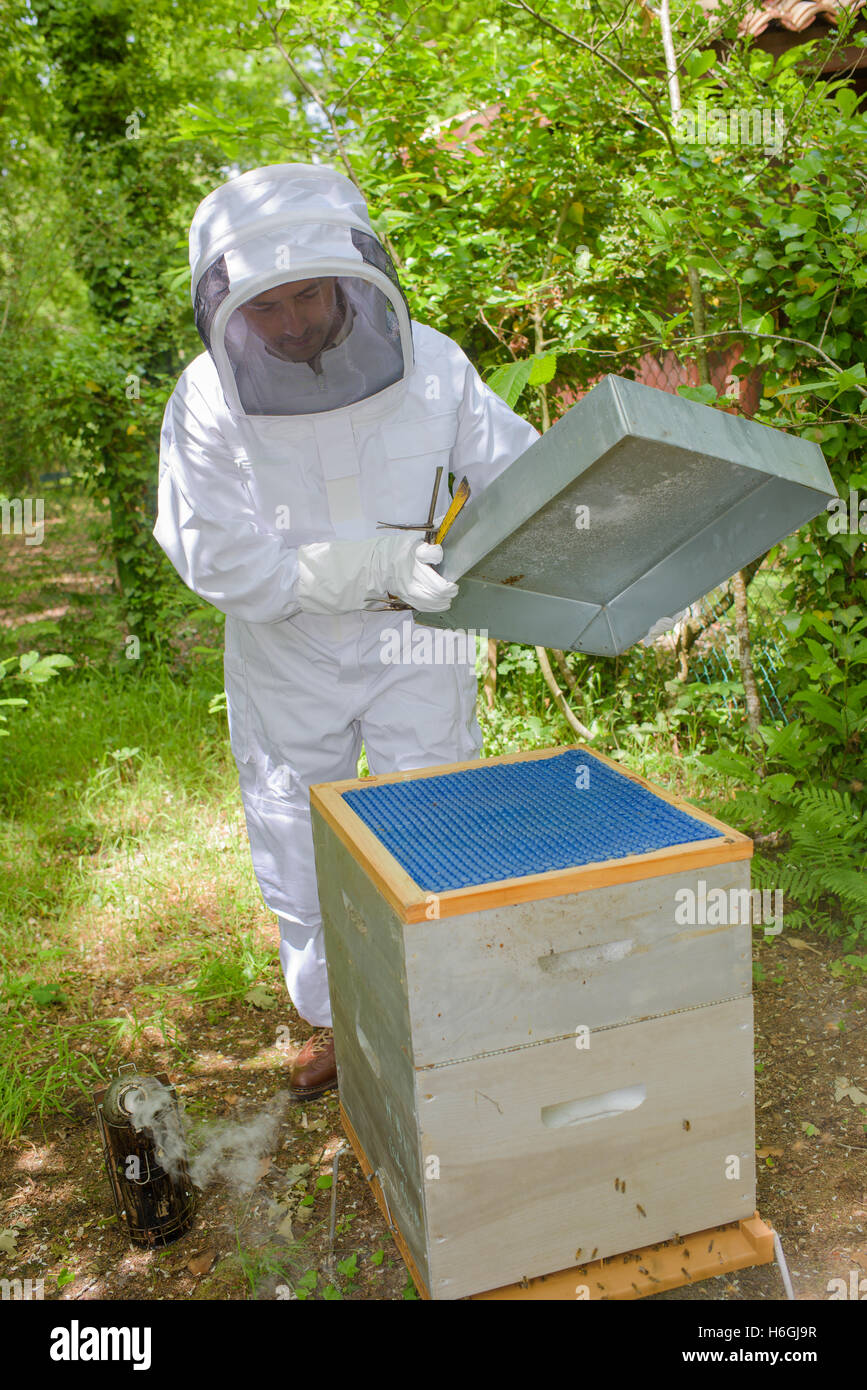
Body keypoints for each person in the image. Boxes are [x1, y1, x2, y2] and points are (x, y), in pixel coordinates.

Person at [153, 163, 539, 1099]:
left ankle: (434, 1016)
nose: (290, 322)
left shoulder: (433, 364)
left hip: (419, 641)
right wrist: (373, 565)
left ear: (351, 278)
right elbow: (219, 559)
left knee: (437, 817)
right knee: (297, 834)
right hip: (288, 655)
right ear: (226, 304)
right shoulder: (206, 399)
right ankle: (337, 1022)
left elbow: (516, 479)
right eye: (266, 307)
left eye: (307, 296)